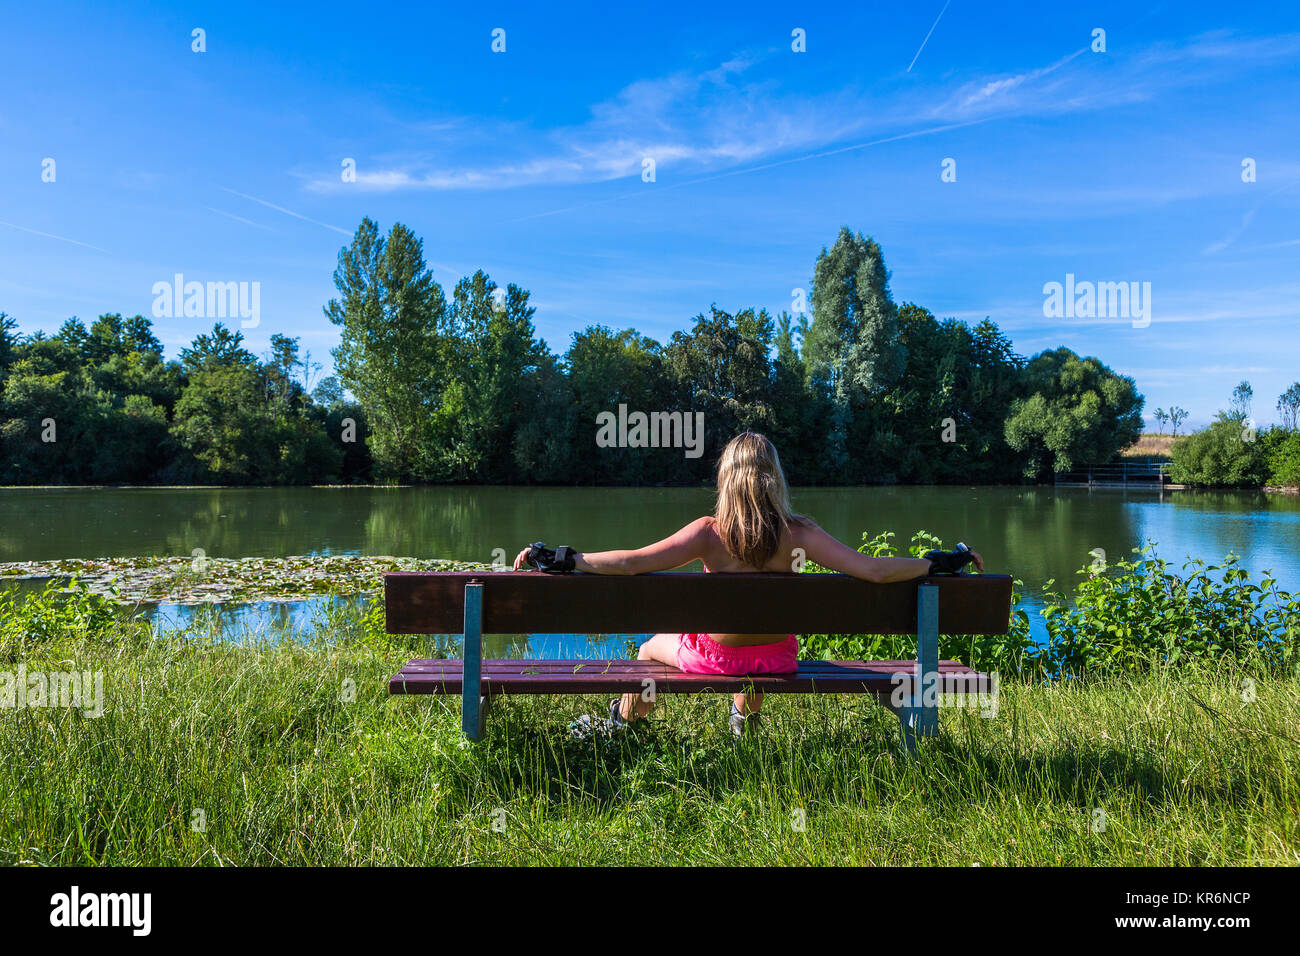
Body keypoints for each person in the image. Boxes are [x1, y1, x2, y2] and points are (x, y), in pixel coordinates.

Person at [512, 432, 984, 736]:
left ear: (726, 479)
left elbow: (631, 563)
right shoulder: (800, 534)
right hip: (777, 658)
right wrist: (937, 564)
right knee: (758, 645)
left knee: (648, 649)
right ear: (773, 478)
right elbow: (875, 570)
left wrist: (563, 558)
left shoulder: (708, 533)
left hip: (713, 660)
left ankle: (619, 722)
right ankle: (744, 719)